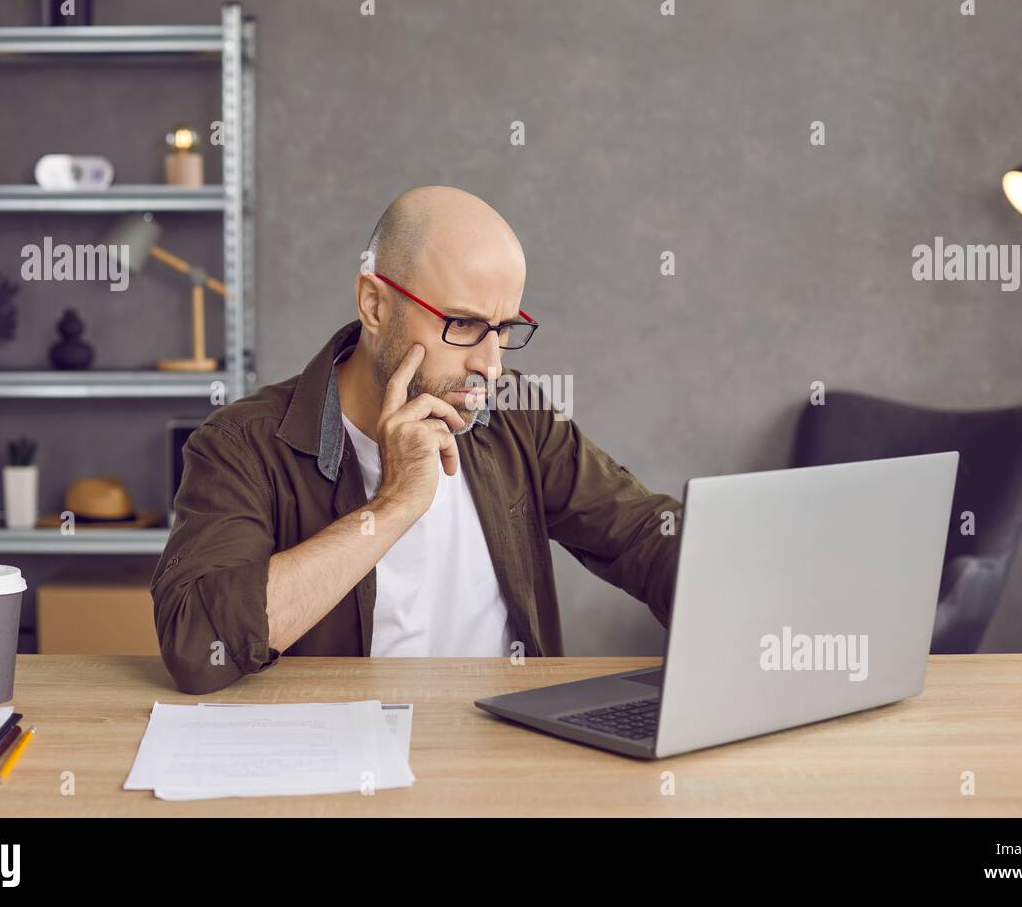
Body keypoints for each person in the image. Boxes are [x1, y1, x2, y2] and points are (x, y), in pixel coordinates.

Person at [151, 185, 681, 694]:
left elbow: (638, 536)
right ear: (375, 306)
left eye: (503, 329)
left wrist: (742, 584)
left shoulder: (514, 411)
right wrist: (394, 505)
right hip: (343, 758)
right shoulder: (243, 444)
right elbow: (199, 647)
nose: (490, 364)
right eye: (464, 324)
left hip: (503, 755)